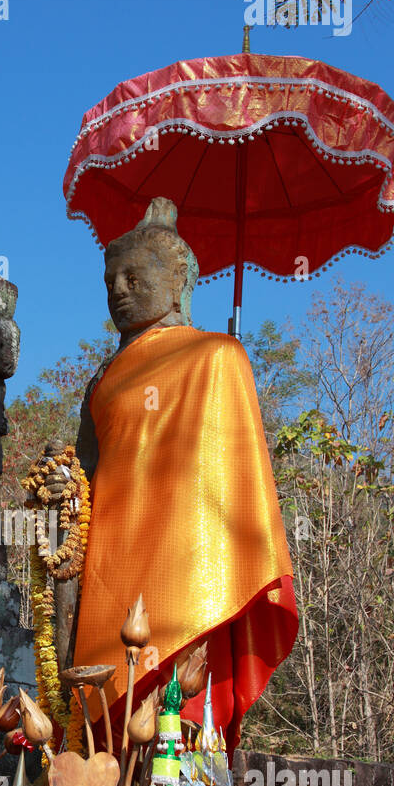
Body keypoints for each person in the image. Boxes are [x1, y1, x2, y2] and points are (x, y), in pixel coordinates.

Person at [51, 197, 297, 752]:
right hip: (109, 577)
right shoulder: (103, 380)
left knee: (173, 737)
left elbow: (233, 496)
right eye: (111, 279)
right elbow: (84, 479)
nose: (118, 289)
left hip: (189, 587)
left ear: (179, 278)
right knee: (103, 741)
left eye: (135, 276)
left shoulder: (218, 356)